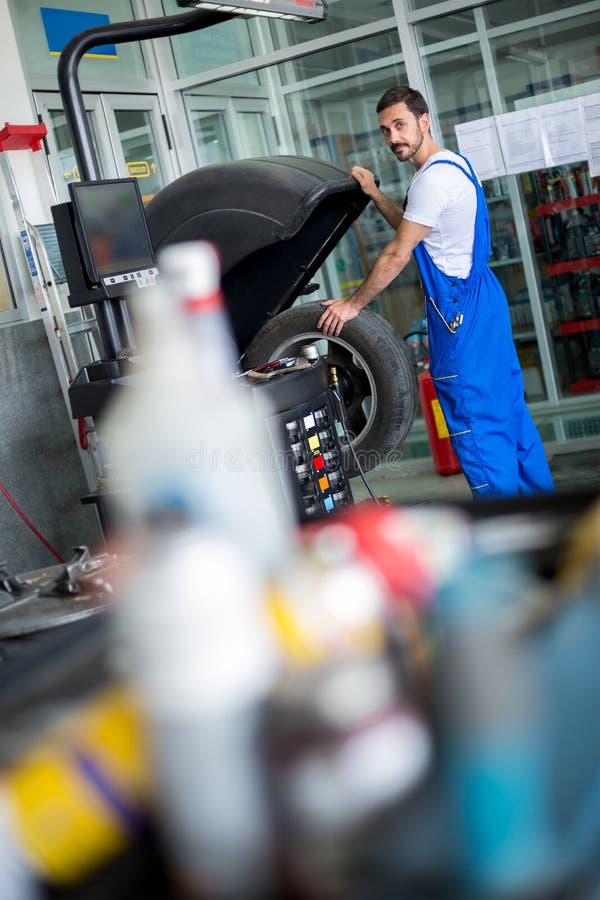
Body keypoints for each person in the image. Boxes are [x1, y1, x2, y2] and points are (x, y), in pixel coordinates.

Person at [318, 85, 554, 499]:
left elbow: (398, 253)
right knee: (509, 415)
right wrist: (374, 194)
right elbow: (418, 230)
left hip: (460, 314)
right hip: (484, 301)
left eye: (400, 125)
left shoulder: (432, 181)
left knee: (477, 423)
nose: (393, 137)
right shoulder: (453, 166)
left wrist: (353, 305)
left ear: (424, 121)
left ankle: (507, 528)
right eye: (385, 129)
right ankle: (546, 515)